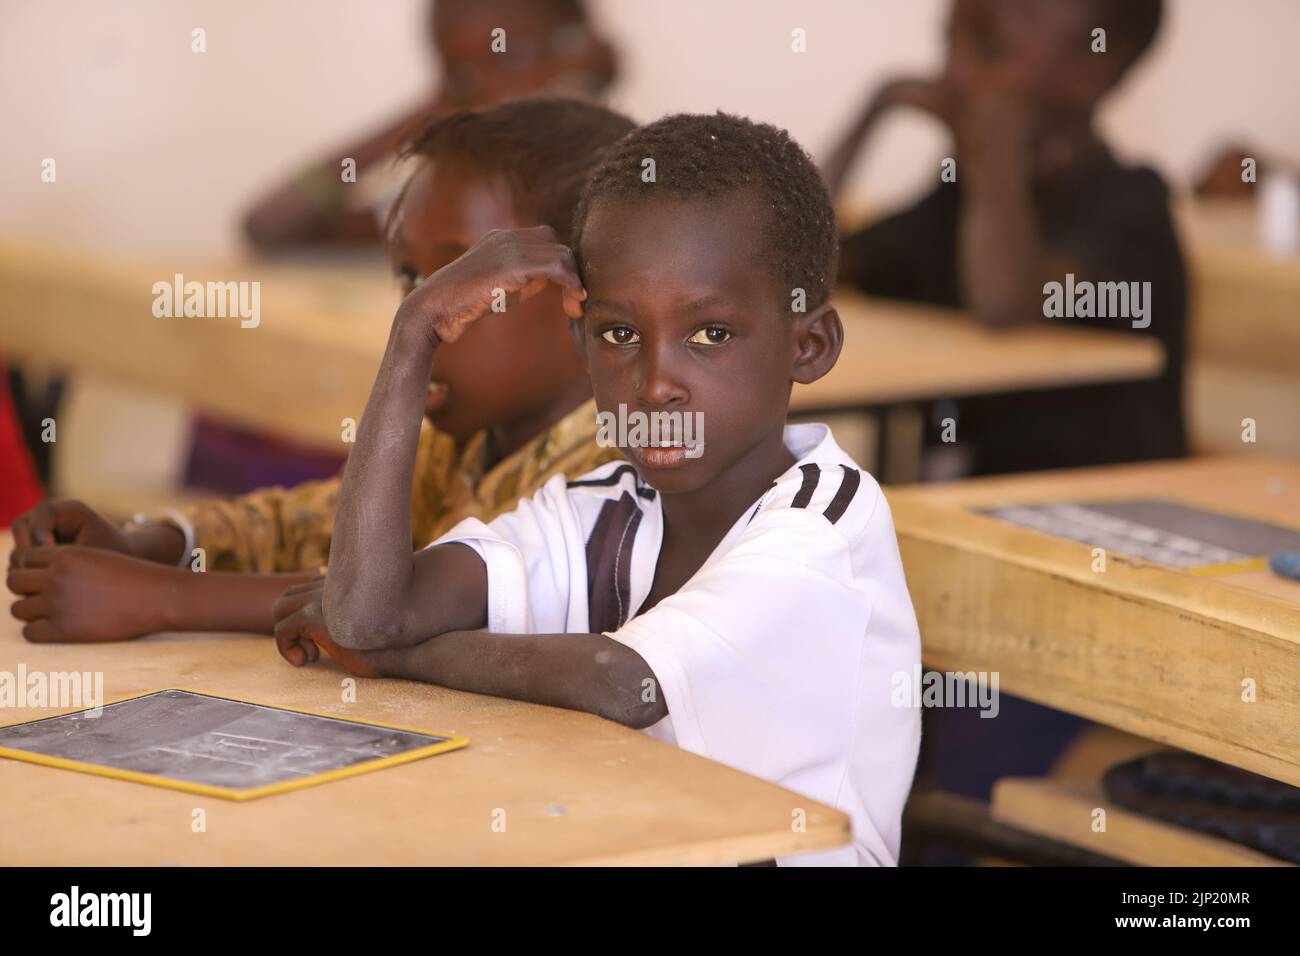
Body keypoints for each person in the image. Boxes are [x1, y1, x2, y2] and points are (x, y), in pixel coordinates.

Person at [291, 112, 922, 866]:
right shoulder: (599, 507)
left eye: (711, 335)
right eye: (620, 334)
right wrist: (414, 335)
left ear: (808, 345)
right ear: (580, 343)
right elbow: (368, 614)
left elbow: (620, 682)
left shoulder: (824, 529)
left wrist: (391, 657)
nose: (656, 384)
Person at [6, 98, 633, 643]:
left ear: (579, 293)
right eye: (411, 281)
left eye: (460, 284)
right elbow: (314, 525)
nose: (421, 316)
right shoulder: (466, 443)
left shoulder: (617, 473)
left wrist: (160, 598)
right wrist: (152, 543)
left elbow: (416, 609)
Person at [825, 0, 1185, 476]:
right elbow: (809, 265)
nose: (953, 73)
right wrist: (875, 110)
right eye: (949, 43)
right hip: (971, 507)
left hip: (1106, 514)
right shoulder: (956, 203)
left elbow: (1007, 303)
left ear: (1096, 68)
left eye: (988, 50)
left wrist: (996, 150)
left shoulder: (1129, 207)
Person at [242, 0, 618, 251]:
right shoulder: (454, 197)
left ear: (581, 48)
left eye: (511, 56)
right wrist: (422, 116)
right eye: (462, 76)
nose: (490, 89)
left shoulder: (619, 174)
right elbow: (269, 226)